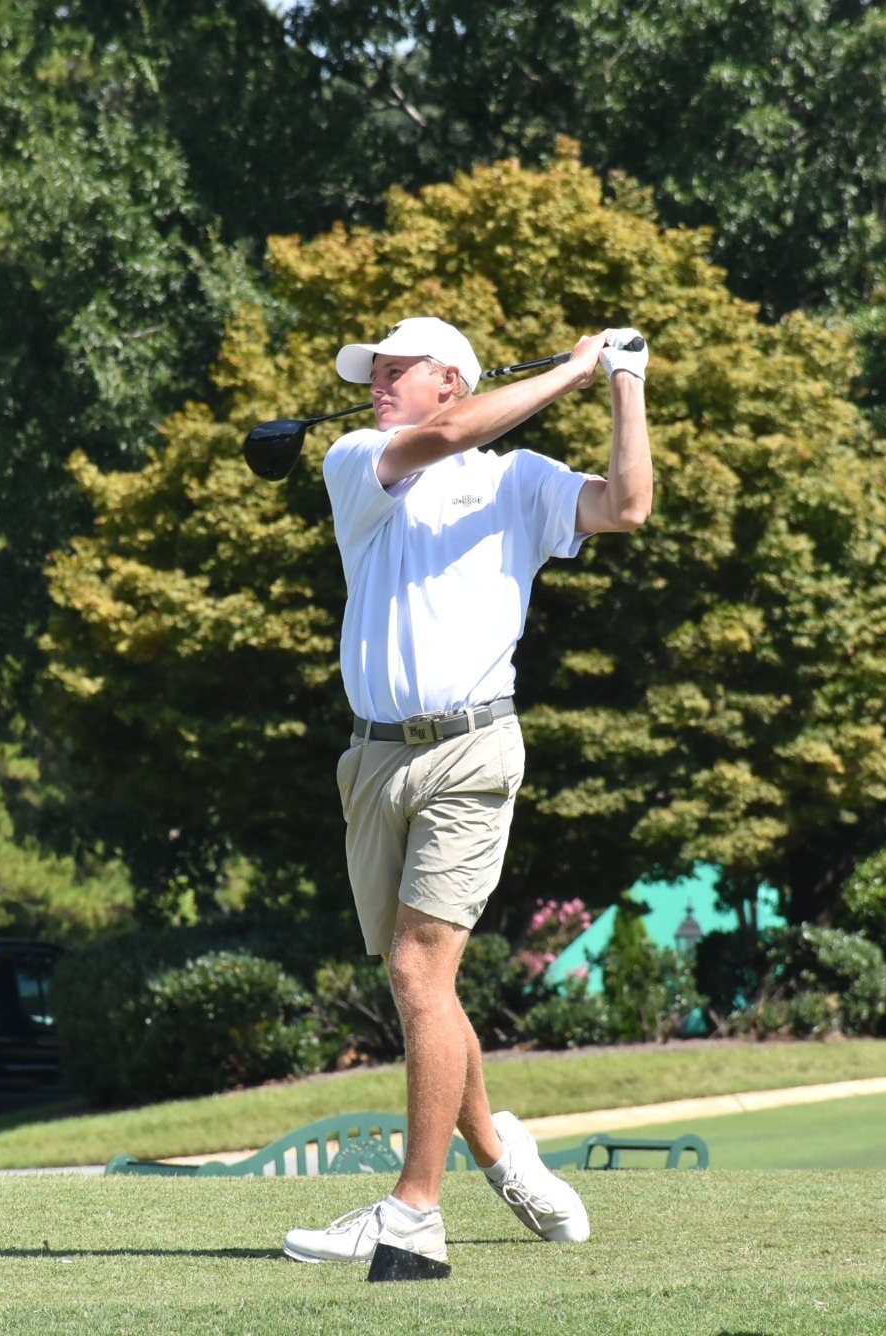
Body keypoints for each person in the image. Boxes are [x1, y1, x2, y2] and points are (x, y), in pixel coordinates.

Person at [281, 316, 651, 1279]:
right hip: (373, 759)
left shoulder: (520, 480)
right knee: (424, 988)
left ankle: (413, 1213)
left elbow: (628, 505)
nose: (376, 384)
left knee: (418, 971)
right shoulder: (357, 460)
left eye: (396, 370)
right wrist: (573, 370)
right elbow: (445, 437)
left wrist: (624, 383)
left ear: (452, 376)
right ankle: (500, 1155)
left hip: (474, 749)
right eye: (373, 373)